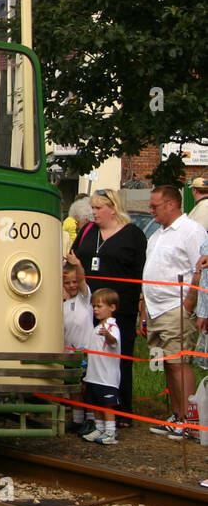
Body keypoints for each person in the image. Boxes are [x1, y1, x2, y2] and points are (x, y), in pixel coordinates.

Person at [70, 188, 146, 426]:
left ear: (112, 209)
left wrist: (140, 301)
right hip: (89, 303)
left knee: (118, 358)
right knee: (89, 358)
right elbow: (74, 257)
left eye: (99, 208)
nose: (94, 213)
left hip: (120, 307)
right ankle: (91, 412)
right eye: (92, 208)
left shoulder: (132, 234)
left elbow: (139, 270)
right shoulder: (88, 231)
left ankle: (121, 411)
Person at [140, 184, 208, 437]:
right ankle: (176, 414)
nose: (151, 210)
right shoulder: (157, 235)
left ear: (171, 204)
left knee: (179, 362)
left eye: (155, 206)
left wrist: (189, 304)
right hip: (155, 308)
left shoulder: (191, 231)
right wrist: (144, 307)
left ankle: (189, 419)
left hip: (175, 306)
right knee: (167, 362)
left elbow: (200, 269)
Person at [81, 288, 122, 445]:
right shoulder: (96, 328)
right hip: (94, 375)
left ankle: (111, 430)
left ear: (112, 308)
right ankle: (99, 428)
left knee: (107, 405)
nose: (95, 309)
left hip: (107, 377)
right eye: (94, 306)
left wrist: (108, 335)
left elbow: (113, 341)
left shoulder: (112, 327)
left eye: (99, 306)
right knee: (96, 403)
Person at [62, 254, 92, 432]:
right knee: (73, 386)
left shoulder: (84, 299)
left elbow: (82, 279)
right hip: (69, 352)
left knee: (86, 386)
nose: (72, 285)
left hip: (85, 351)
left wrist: (78, 265)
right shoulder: (62, 304)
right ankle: (77, 418)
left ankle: (90, 418)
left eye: (74, 282)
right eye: (68, 283)